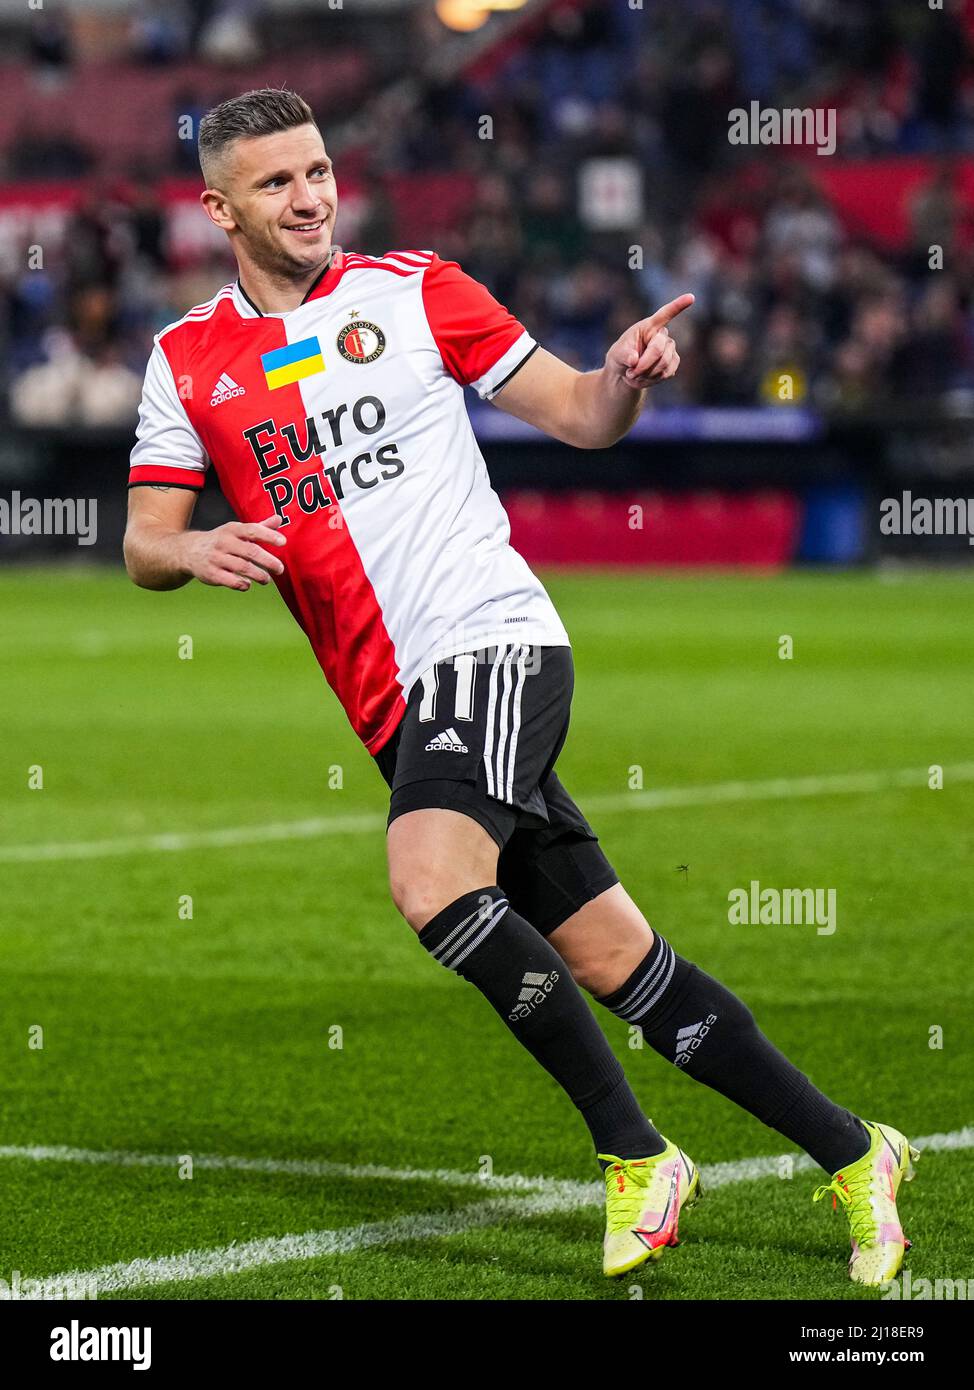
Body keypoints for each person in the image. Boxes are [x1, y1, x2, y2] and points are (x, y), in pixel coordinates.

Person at [123, 87, 917, 1283]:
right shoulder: (187, 359)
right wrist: (187, 549)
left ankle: (634, 1153)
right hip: (396, 705)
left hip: (490, 640)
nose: (311, 197)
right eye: (278, 181)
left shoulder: (414, 291)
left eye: (321, 170)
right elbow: (143, 541)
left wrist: (625, 375)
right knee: (616, 961)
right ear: (217, 205)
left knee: (426, 874)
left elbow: (581, 417)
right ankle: (855, 1152)